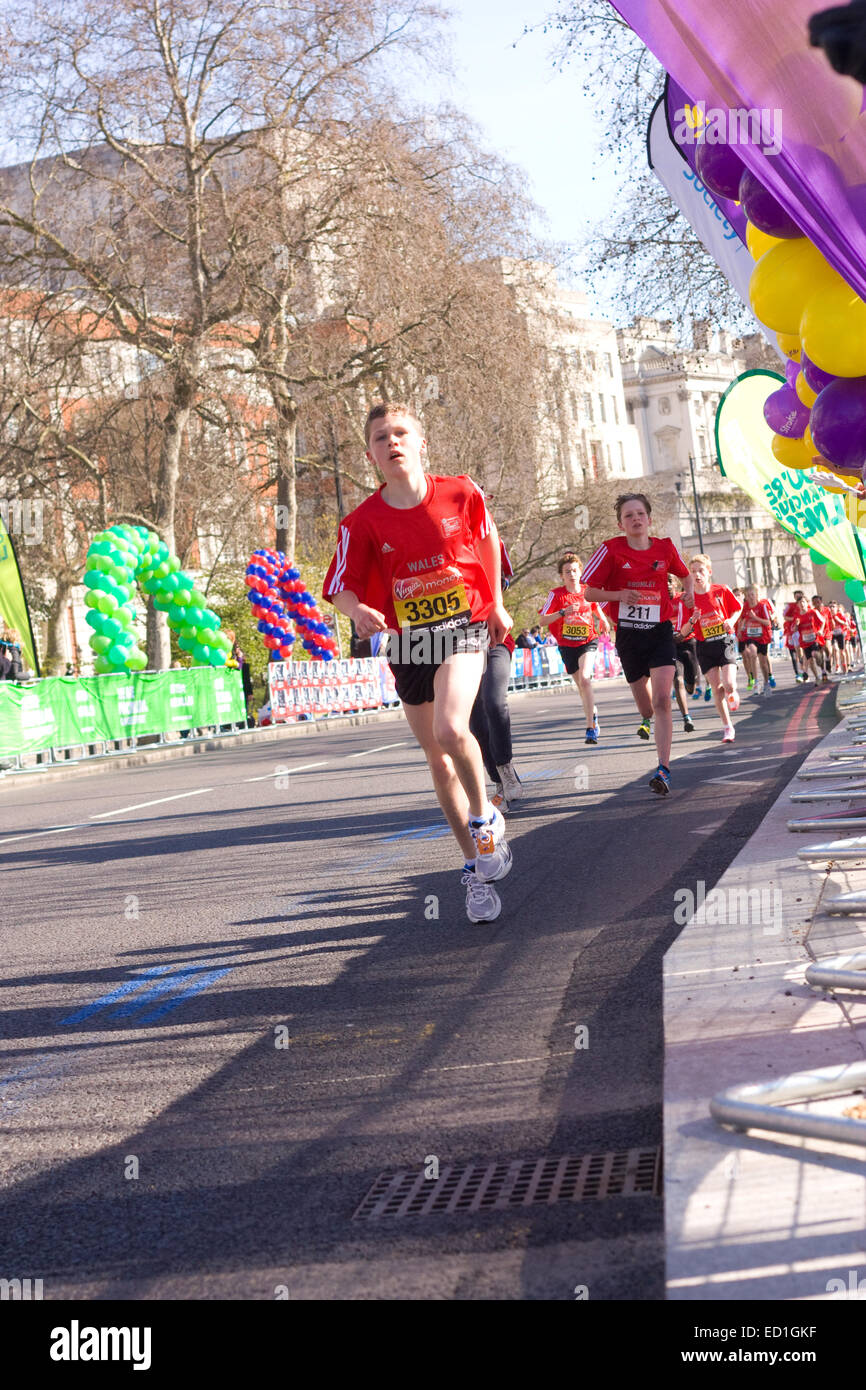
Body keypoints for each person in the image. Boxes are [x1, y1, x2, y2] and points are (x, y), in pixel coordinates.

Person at [322, 401, 512, 924]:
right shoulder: (361, 522)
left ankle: (483, 816)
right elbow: (337, 585)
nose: (393, 442)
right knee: (437, 759)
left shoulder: (460, 492)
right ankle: (475, 869)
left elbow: (488, 539)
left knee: (453, 729)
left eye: (401, 433)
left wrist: (494, 600)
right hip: (409, 641)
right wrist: (358, 609)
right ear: (371, 455)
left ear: (421, 442)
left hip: (463, 627)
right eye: (382, 437)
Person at [581, 491, 694, 795]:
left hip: (659, 631)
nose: (635, 519)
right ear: (621, 524)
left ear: (649, 519)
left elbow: (686, 576)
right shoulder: (610, 551)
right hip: (629, 636)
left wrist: (690, 593)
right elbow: (589, 593)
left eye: (640, 514)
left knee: (662, 701)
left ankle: (664, 769)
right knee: (646, 707)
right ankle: (646, 717)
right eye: (629, 515)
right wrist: (619, 596)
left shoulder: (665, 548)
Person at [469, 540, 524, 812]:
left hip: (493, 638)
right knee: (475, 719)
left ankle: (506, 766)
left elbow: (503, 580)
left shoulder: (490, 539)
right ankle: (499, 782)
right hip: (455, 644)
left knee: (494, 701)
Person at [538, 552, 610, 745]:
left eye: (575, 570)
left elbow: (595, 606)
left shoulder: (588, 590)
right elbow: (542, 620)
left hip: (588, 641)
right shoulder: (557, 594)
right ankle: (592, 712)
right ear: (562, 575)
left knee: (585, 680)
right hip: (567, 645)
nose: (572, 574)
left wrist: (602, 620)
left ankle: (590, 728)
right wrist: (562, 612)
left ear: (580, 572)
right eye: (567, 571)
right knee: (580, 685)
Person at [678, 554, 741, 742]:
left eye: (701, 571)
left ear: (709, 572)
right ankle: (727, 727)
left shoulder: (721, 591)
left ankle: (733, 691)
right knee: (716, 687)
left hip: (725, 641)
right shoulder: (687, 599)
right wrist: (693, 620)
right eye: (693, 572)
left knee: (729, 684)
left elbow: (737, 609)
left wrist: (730, 620)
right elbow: (683, 630)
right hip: (704, 645)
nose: (697, 575)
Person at [668, 574, 697, 733]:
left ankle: (691, 684)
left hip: (687, 642)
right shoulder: (658, 602)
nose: (666, 584)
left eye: (670, 581)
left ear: (676, 584)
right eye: (663, 581)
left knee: (690, 686)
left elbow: (695, 618)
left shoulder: (684, 599)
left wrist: (684, 633)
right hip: (669, 645)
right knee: (677, 680)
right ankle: (686, 717)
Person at [738, 584, 778, 694]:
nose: (751, 597)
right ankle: (756, 682)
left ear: (756, 595)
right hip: (750, 636)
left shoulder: (762, 606)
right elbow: (742, 618)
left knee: (763, 663)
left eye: (752, 595)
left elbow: (767, 622)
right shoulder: (745, 606)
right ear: (745, 596)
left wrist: (754, 617)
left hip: (762, 637)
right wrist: (740, 630)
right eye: (748, 595)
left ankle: (766, 682)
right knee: (752, 653)